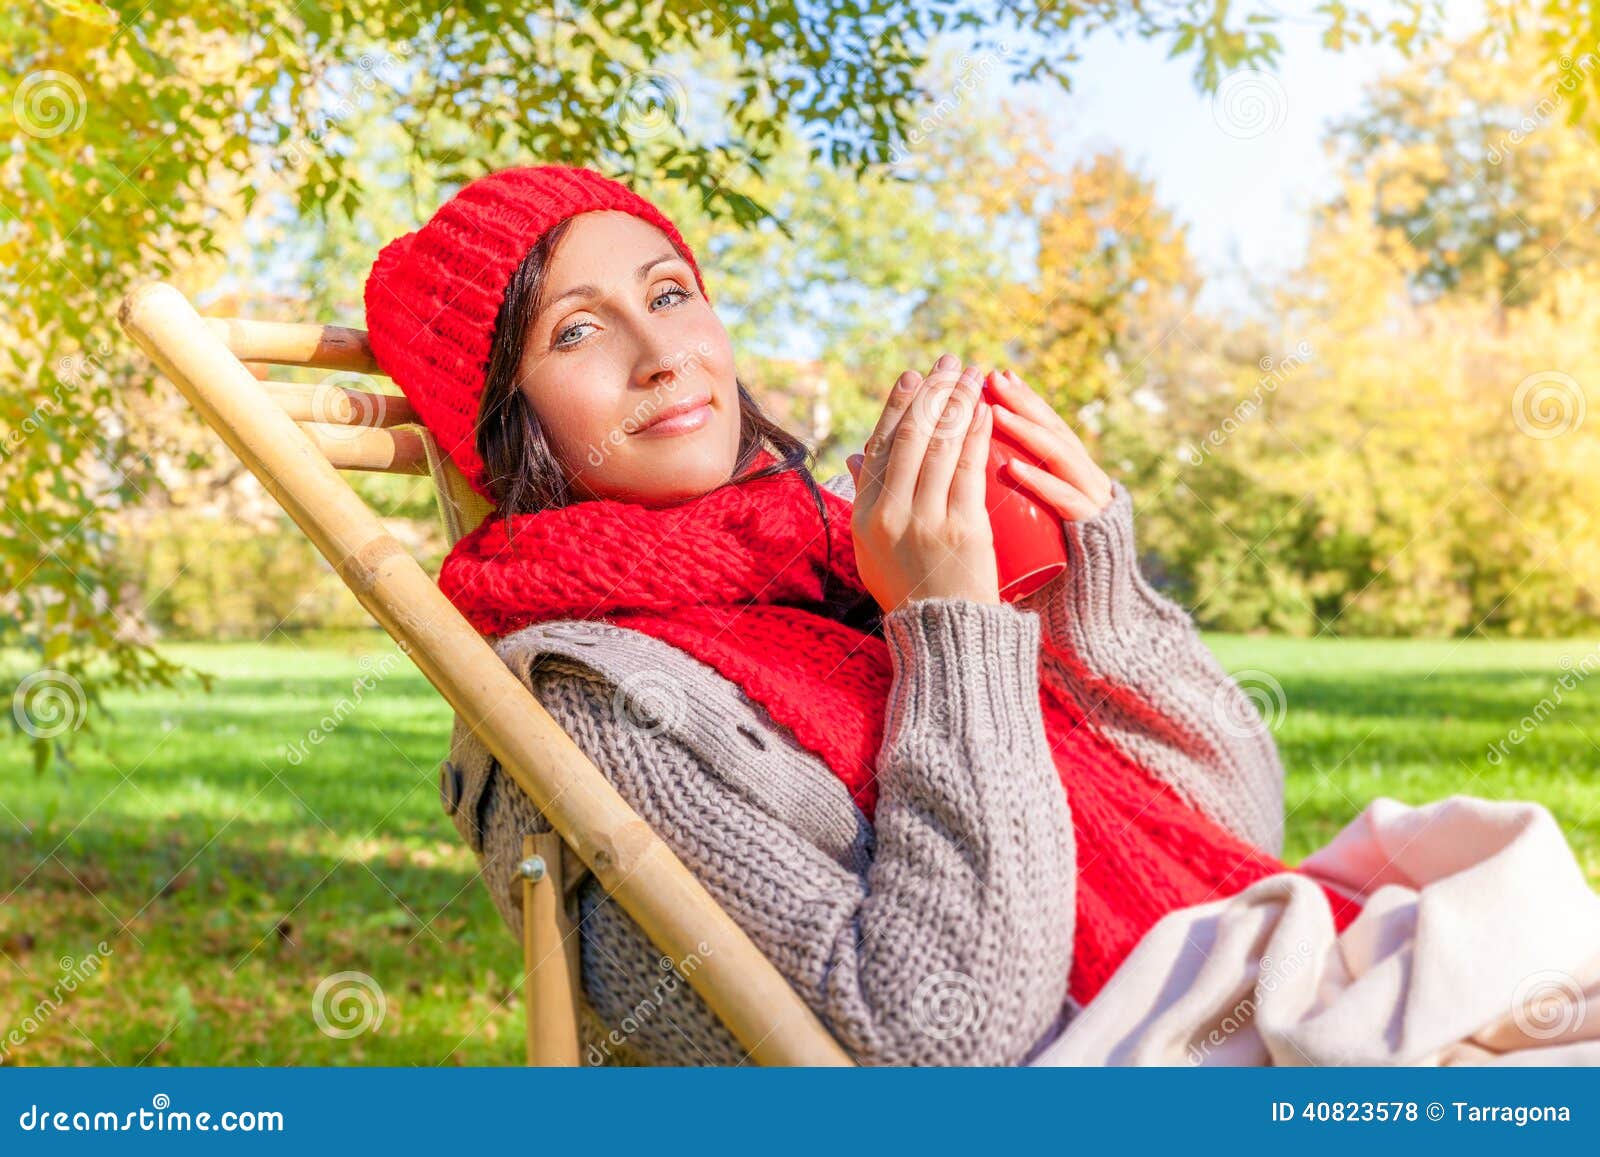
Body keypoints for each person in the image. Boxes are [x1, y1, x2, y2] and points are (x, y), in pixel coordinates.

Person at [361, 164, 1364, 1067]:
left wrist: (1083, 586)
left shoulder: (838, 560)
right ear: (503, 420)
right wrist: (951, 628)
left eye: (670, 292)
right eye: (574, 331)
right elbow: (938, 1039)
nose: (662, 350)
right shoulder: (586, 692)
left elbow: (1232, 828)